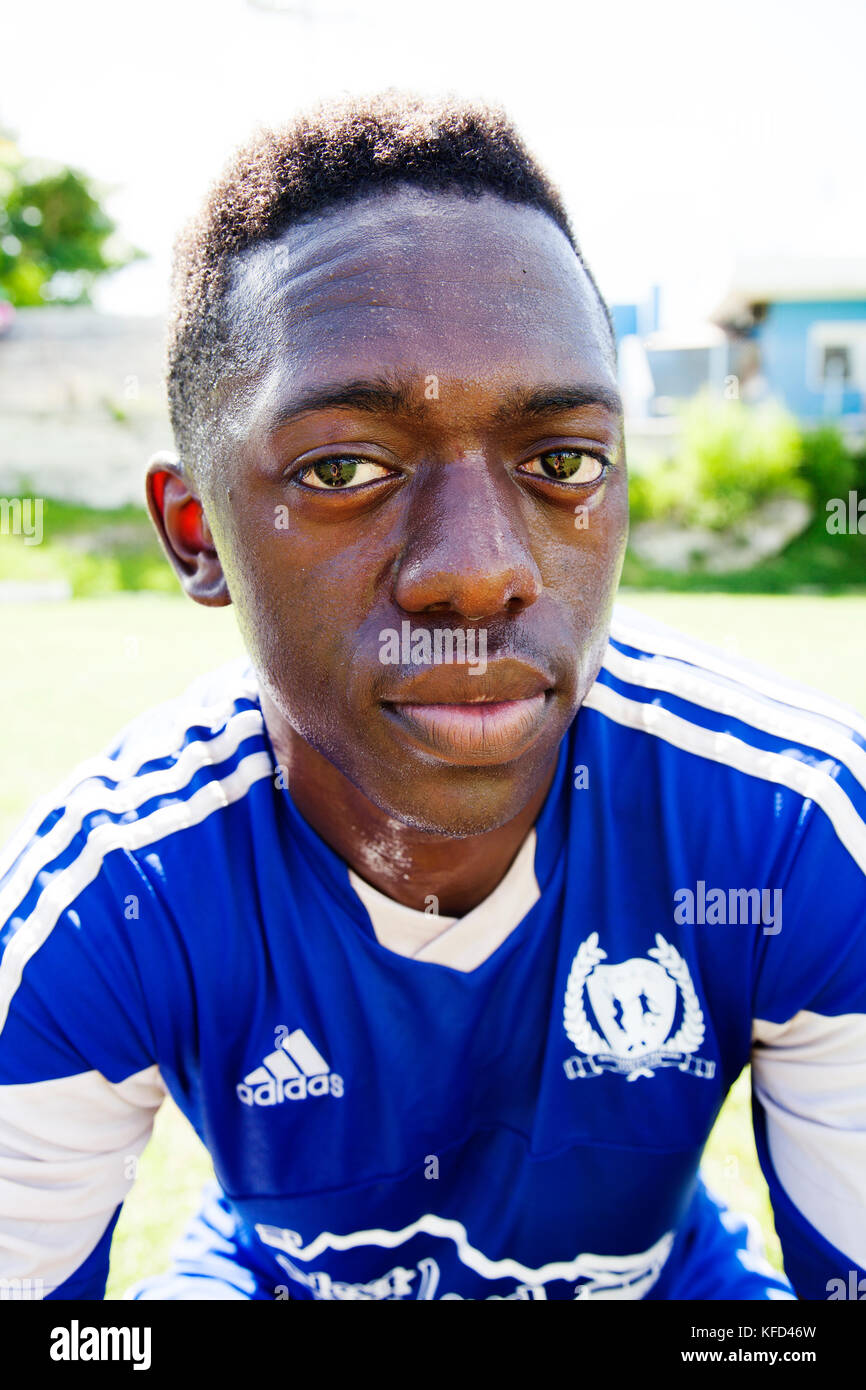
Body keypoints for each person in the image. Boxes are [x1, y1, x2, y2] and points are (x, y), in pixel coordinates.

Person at [0, 94, 863, 1302]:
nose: (477, 568)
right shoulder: (107, 903)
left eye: (561, 462)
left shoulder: (790, 830)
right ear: (198, 536)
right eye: (344, 467)